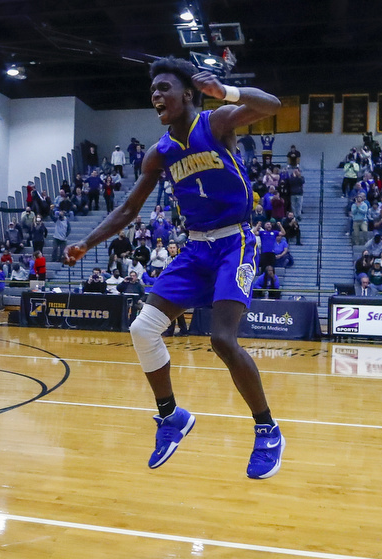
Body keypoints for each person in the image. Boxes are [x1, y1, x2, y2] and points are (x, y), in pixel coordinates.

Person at [64, 56, 285, 479]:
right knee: (142, 328)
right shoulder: (160, 152)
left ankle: (267, 428)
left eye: (164, 88)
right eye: (153, 91)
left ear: (188, 93)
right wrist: (87, 242)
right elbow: (130, 208)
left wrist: (227, 91)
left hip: (235, 241)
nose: (156, 96)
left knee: (222, 339)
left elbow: (271, 104)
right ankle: (171, 417)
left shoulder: (216, 123)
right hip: (196, 248)